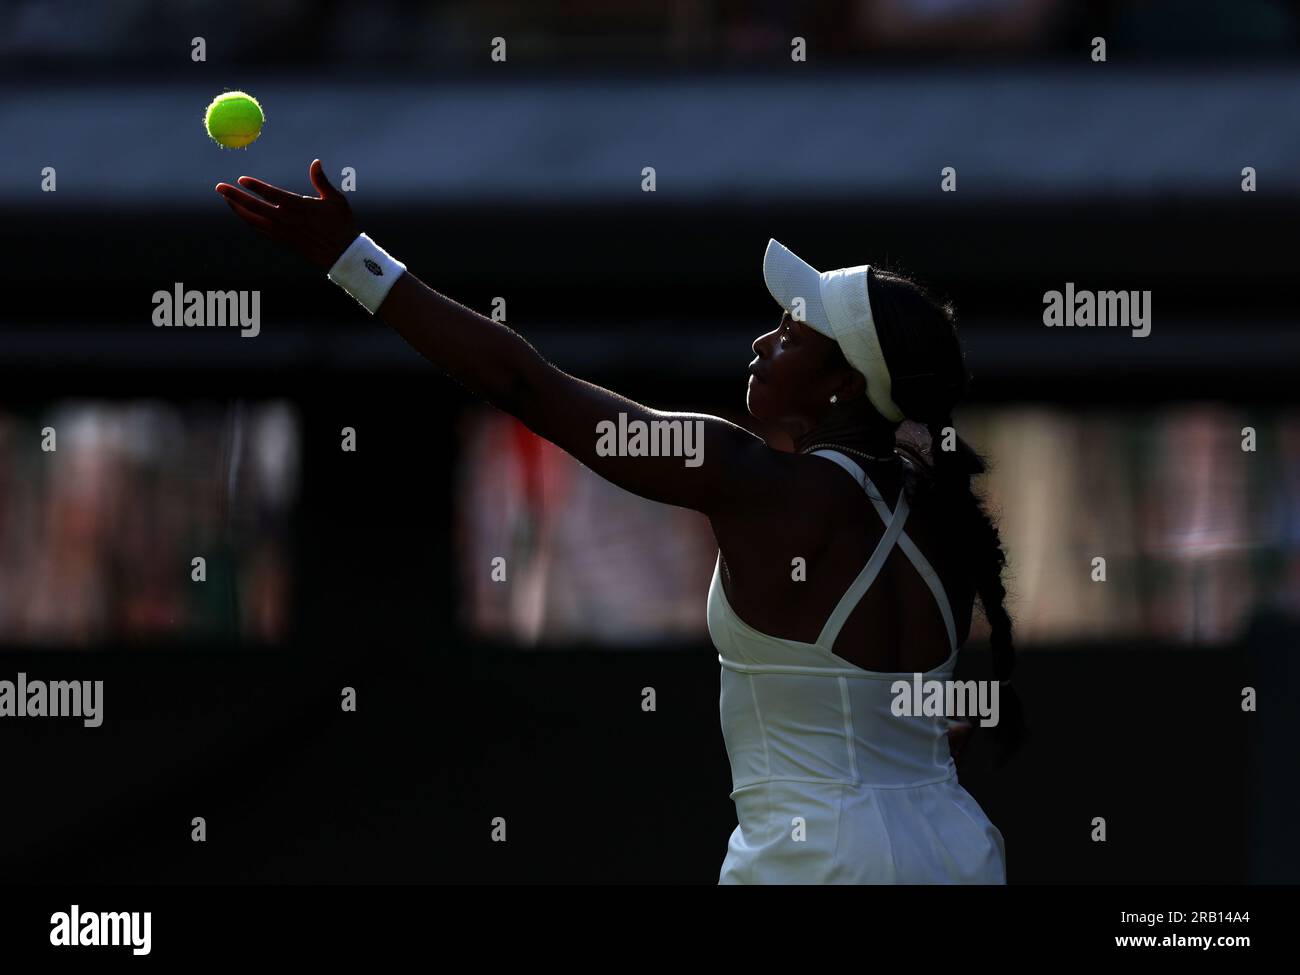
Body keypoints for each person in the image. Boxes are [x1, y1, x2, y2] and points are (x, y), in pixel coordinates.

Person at [216, 160, 1026, 883]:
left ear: (845, 385)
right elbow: (929, 717)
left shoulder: (753, 480)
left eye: (792, 333)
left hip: (817, 859)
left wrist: (354, 262)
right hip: (952, 849)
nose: (763, 341)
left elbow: (531, 387)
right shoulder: (943, 522)